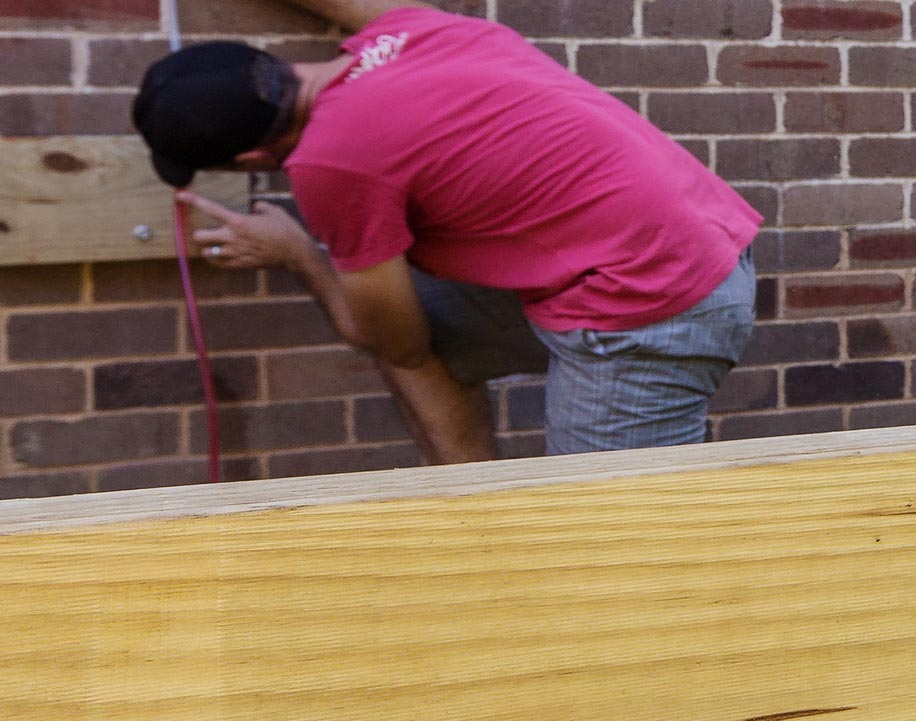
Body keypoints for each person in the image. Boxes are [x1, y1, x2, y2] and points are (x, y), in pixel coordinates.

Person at [131, 0, 761, 463]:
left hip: (646, 305)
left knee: (607, 533)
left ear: (250, 159)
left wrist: (297, 252)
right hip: (692, 247)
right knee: (421, 319)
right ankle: (476, 514)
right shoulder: (413, 32)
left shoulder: (330, 163)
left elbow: (396, 342)